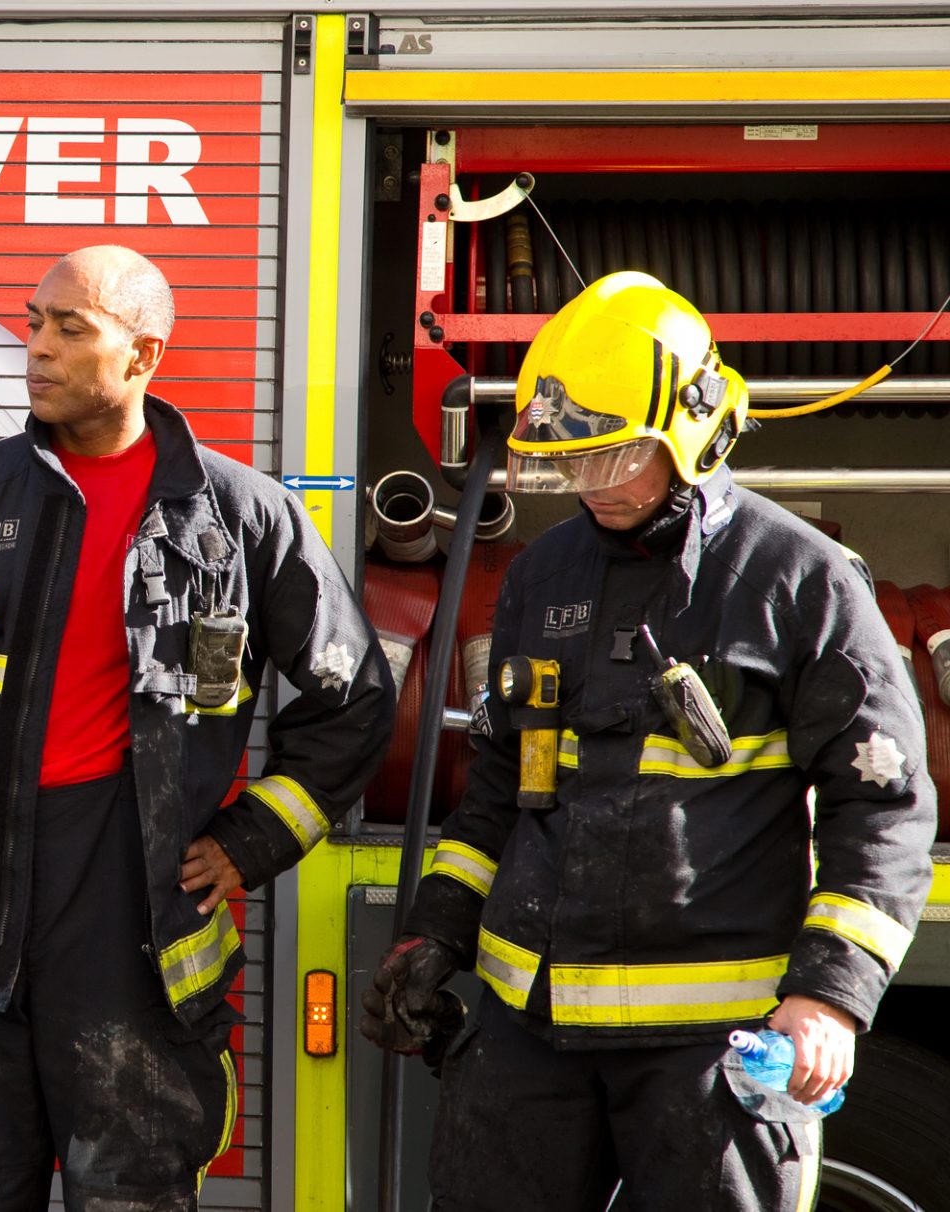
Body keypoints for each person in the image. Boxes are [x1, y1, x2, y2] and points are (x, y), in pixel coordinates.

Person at [361, 271, 937, 1211]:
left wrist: (831, 995)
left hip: (711, 1052)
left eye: (615, 457)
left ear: (697, 428)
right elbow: (501, 791)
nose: (593, 486)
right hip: (528, 1041)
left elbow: (885, 806)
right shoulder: (544, 575)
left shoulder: (800, 580)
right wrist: (433, 934)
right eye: (574, 463)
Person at [0, 245, 395, 1211]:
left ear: (143, 355)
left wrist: (254, 838)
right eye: (33, 321)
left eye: (70, 328)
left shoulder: (242, 519)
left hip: (136, 940)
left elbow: (354, 699)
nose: (38, 349)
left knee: (133, 1193)